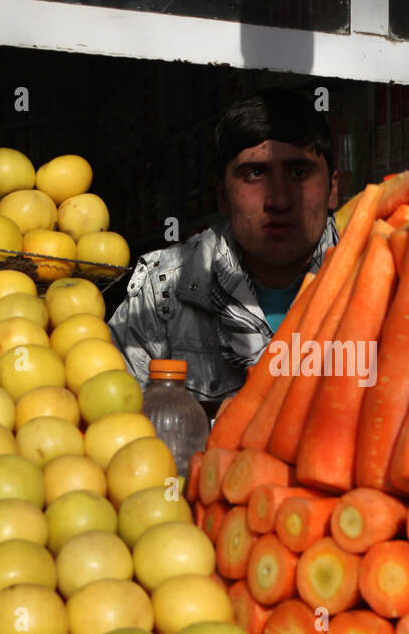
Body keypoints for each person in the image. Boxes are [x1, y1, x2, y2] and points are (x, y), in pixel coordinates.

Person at [108, 88, 340, 412]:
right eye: (255, 173)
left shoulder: (388, 282)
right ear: (221, 195)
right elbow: (115, 431)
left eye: (299, 172)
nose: (279, 200)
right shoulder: (162, 293)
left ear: (333, 189)